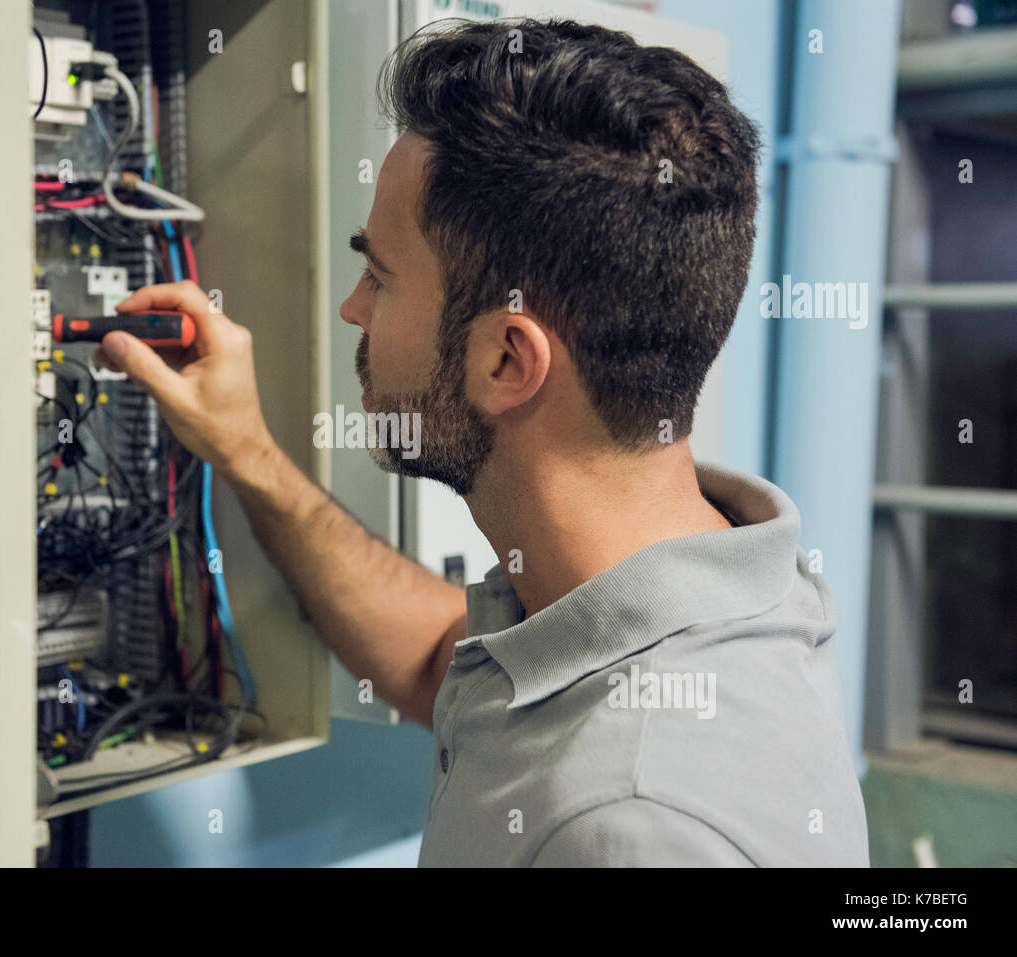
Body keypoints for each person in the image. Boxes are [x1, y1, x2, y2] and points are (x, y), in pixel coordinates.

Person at [95, 18, 869, 867]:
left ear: (507, 357)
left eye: (380, 276)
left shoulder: (629, 823)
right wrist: (248, 453)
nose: (353, 308)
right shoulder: (726, 595)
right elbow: (439, 661)